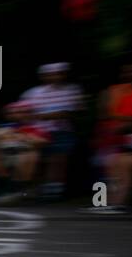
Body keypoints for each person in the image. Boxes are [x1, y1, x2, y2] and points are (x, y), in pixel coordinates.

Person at [19, 62, 85, 198]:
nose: (56, 76)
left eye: (60, 73)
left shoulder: (73, 89)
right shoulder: (33, 93)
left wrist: (44, 115)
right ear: (44, 76)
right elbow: (22, 111)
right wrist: (53, 115)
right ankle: (37, 190)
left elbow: (72, 112)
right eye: (52, 74)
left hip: (62, 131)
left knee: (59, 160)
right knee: (37, 160)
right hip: (38, 131)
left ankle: (54, 191)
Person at [0, 102, 50, 204]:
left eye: (22, 112)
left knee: (28, 156)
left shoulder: (36, 126)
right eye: (12, 112)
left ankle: (17, 190)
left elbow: (42, 142)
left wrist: (20, 136)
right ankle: (3, 187)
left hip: (25, 153)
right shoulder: (2, 126)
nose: (17, 114)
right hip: (3, 154)